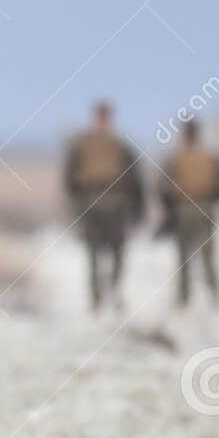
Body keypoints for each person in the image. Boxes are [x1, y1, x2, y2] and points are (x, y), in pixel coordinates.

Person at [63, 101, 144, 311]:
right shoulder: (83, 144)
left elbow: (135, 179)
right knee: (93, 252)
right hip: (93, 202)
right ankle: (97, 298)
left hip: (114, 203)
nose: (103, 121)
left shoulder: (118, 145)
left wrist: (137, 208)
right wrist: (74, 206)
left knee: (116, 250)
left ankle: (112, 291)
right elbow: (70, 179)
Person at [158, 119, 219, 307]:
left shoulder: (176, 159)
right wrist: (209, 200)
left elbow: (163, 188)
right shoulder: (210, 157)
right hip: (205, 208)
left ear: (184, 134)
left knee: (184, 257)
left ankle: (184, 298)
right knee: (208, 256)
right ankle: (214, 295)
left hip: (184, 210)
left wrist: (171, 208)